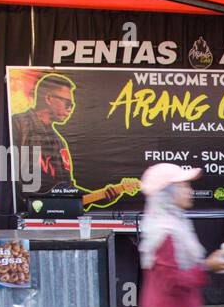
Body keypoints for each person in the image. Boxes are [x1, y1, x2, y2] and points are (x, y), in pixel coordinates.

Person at [13, 72, 136, 208]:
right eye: (67, 103)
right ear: (48, 98)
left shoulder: (58, 142)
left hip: (51, 211)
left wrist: (106, 195)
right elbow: (5, 173)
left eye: (72, 105)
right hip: (24, 211)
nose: (70, 109)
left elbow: (67, 189)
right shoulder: (18, 125)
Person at [137, 162, 224, 307]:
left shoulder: (175, 224)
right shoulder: (165, 232)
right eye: (183, 186)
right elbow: (172, 282)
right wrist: (207, 266)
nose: (190, 191)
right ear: (166, 194)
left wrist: (207, 264)